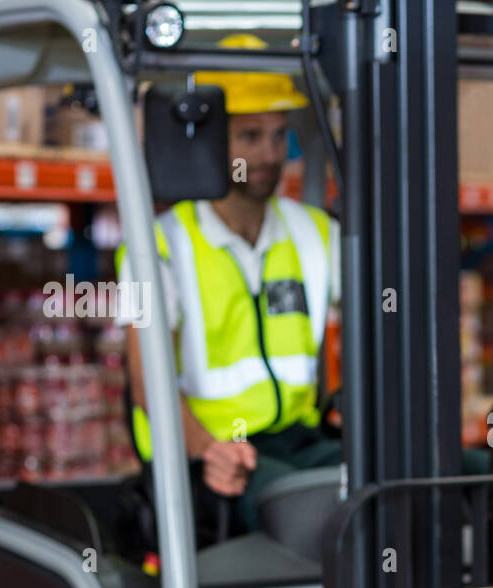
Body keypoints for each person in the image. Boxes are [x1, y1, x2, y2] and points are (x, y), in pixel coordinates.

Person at [117, 34, 342, 534]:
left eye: (278, 135)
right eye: (250, 136)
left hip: (298, 441)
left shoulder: (314, 231)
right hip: (209, 453)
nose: (268, 154)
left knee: (396, 487)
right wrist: (209, 449)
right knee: (316, 517)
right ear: (214, 139)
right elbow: (145, 383)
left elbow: (378, 327)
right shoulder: (159, 246)